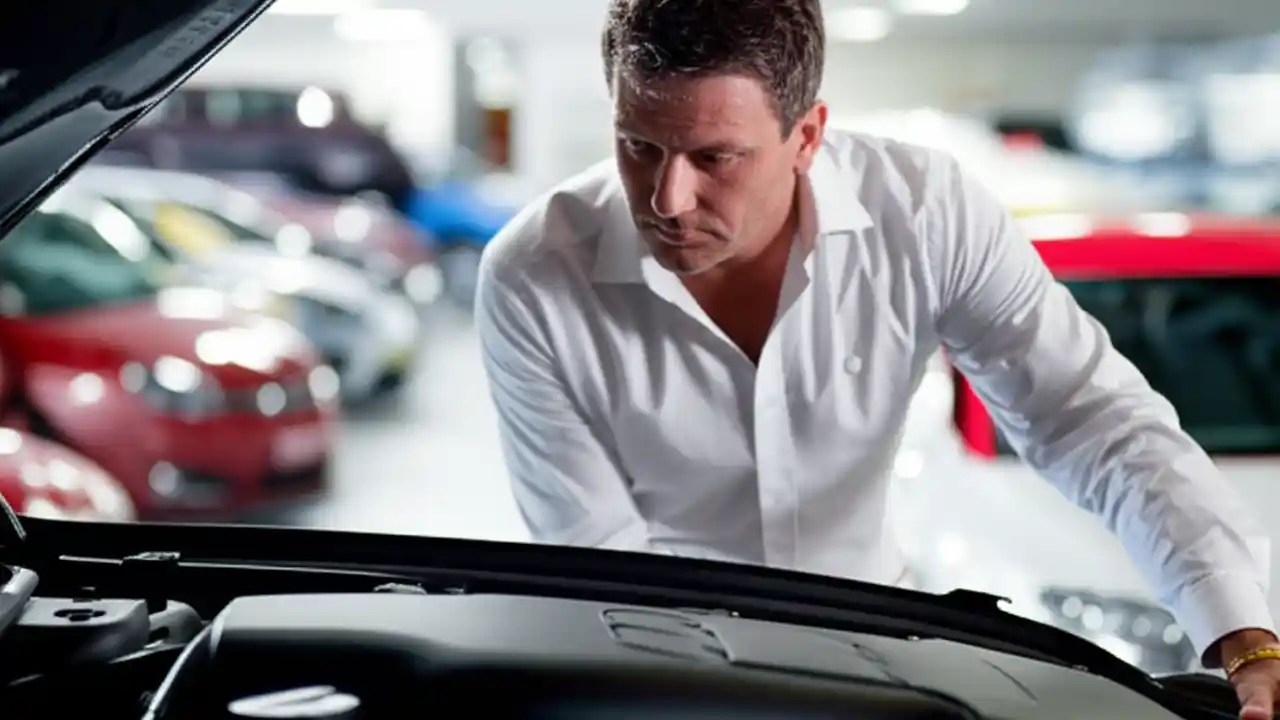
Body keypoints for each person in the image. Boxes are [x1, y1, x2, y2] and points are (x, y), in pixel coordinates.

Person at [474, 0, 1280, 714]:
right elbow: (602, 563)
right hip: (663, 676)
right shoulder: (534, 275)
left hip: (884, 660)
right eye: (638, 145)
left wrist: (1241, 628)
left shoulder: (927, 214)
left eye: (715, 157)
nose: (667, 199)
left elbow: (1090, 419)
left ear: (806, 137)